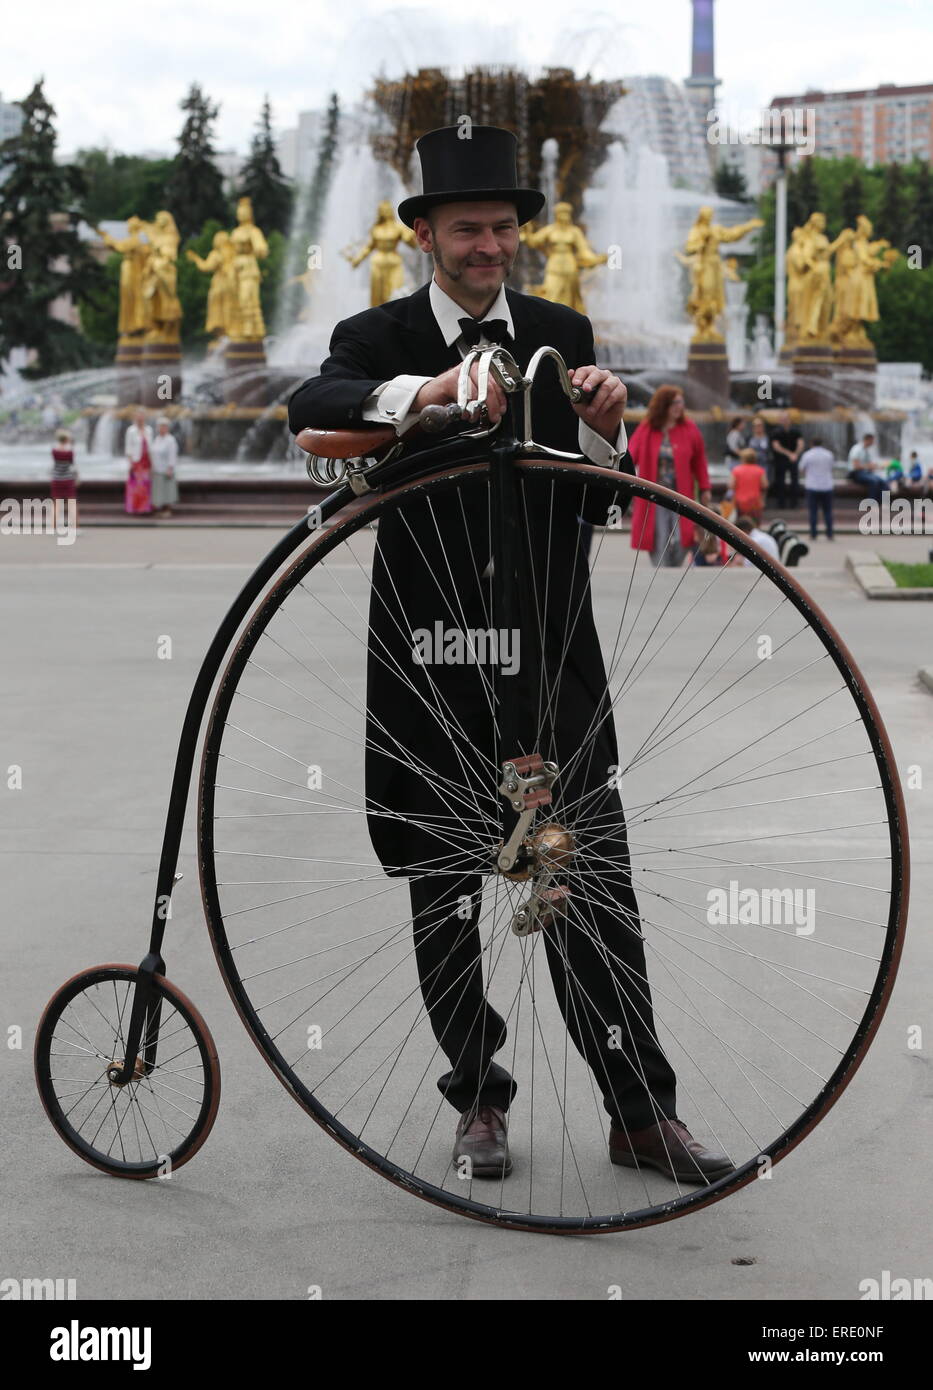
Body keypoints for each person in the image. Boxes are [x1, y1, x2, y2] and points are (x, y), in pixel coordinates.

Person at [288, 124, 733, 1186]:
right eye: (468, 228)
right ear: (425, 234)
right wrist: (427, 395)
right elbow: (312, 416)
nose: (489, 246)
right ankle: (478, 1098)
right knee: (444, 893)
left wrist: (604, 429)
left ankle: (640, 1112)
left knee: (594, 893)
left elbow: (588, 502)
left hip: (549, 660)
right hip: (432, 661)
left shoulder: (554, 328)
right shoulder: (379, 332)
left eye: (502, 229)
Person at [627, 386, 712, 568]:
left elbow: (699, 461)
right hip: (654, 495)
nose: (679, 406)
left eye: (681, 402)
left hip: (682, 495)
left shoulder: (689, 428)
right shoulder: (647, 428)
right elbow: (630, 455)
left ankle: (671, 567)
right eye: (675, 402)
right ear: (663, 405)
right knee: (658, 534)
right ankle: (661, 568)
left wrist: (705, 488)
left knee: (685, 536)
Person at [798, 436, 836, 540]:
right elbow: (832, 467)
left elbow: (801, 469)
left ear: (811, 443)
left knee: (813, 511)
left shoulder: (807, 455)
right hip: (827, 486)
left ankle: (813, 534)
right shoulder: (829, 454)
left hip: (812, 486)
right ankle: (830, 533)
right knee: (828, 511)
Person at [770, 409, 803, 509]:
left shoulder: (796, 430)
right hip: (780, 460)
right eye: (783, 419)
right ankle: (781, 504)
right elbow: (776, 446)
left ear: (789, 420)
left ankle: (794, 503)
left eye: (786, 418)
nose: (785, 420)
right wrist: (789, 454)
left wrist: (796, 454)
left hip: (793, 459)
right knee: (780, 482)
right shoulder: (776, 431)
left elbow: (800, 443)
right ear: (779, 420)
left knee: (795, 481)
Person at [124, 410, 153, 515]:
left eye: (142, 417)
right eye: (138, 417)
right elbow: (128, 448)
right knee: (136, 486)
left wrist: (152, 462)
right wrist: (130, 462)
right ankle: (134, 507)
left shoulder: (149, 430)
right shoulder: (131, 431)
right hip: (136, 462)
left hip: (146, 461)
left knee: (145, 485)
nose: (140, 419)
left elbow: (151, 446)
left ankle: (144, 508)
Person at [847, 432, 889, 503]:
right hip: (855, 473)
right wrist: (869, 466)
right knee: (874, 481)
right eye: (872, 441)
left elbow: (870, 465)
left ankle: (884, 503)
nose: (873, 443)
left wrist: (879, 466)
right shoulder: (856, 449)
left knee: (883, 482)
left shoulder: (866, 450)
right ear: (868, 440)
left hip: (864, 473)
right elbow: (856, 466)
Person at [730, 446, 768, 525]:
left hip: (740, 503)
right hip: (755, 502)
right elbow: (765, 485)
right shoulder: (760, 470)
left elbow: (731, 485)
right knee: (755, 525)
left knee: (740, 526)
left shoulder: (736, 470)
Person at [50, 428, 78, 531]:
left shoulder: (54, 451)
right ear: (67, 439)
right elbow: (72, 463)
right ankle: (74, 527)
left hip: (56, 479)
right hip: (68, 479)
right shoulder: (70, 452)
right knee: (72, 504)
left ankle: (53, 526)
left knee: (56, 504)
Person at [150, 418, 180, 517]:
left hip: (166, 469)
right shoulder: (157, 438)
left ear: (167, 428)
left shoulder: (170, 440)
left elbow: (172, 455)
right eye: (160, 426)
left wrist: (170, 468)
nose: (162, 428)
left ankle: (167, 510)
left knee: (168, 490)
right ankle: (160, 509)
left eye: (164, 426)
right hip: (157, 469)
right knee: (159, 491)